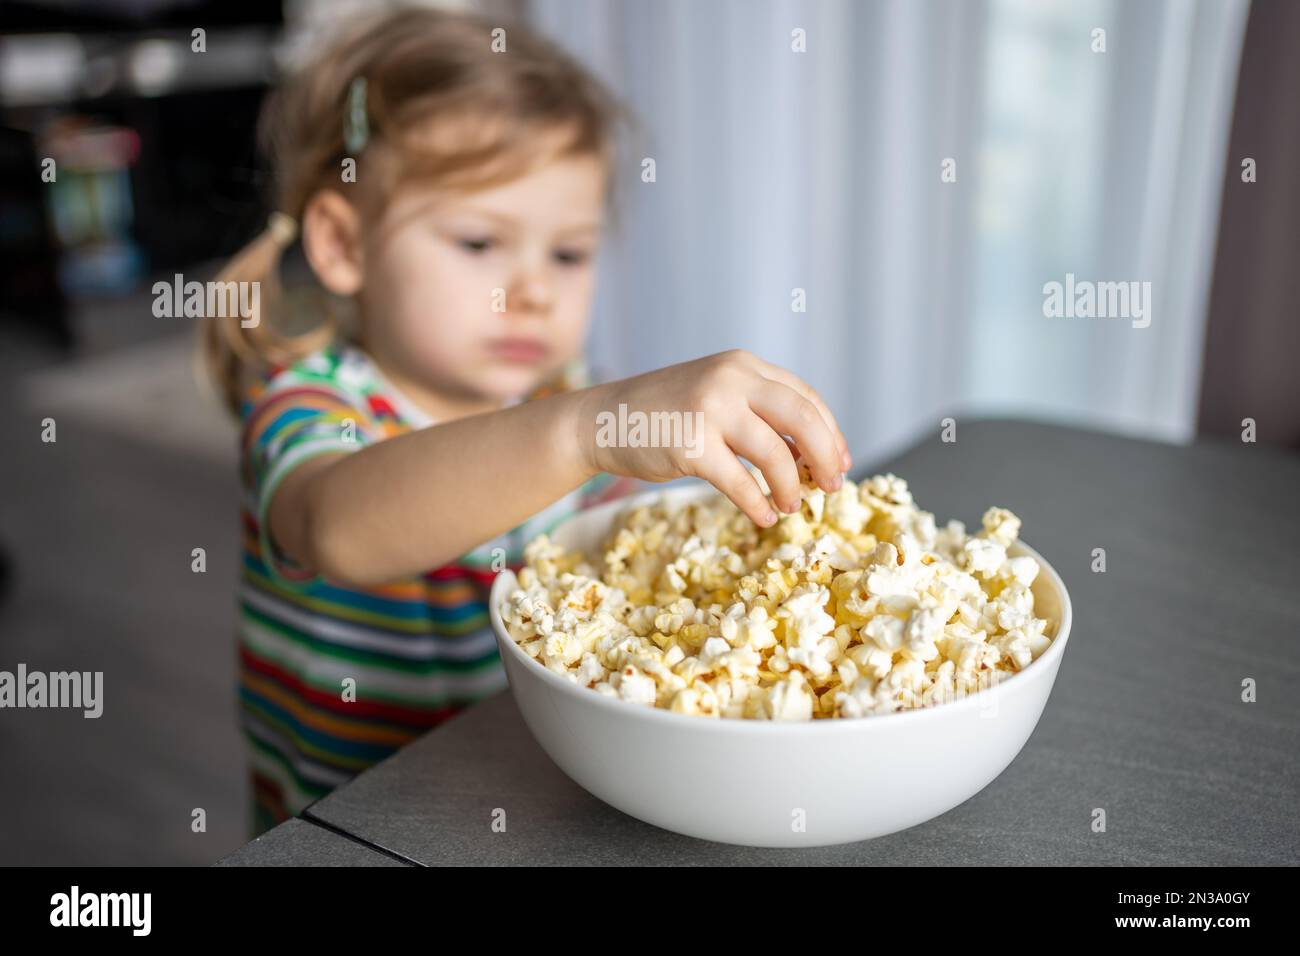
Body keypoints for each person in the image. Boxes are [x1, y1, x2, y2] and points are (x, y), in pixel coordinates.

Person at [201, 7, 851, 836]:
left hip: (516, 799)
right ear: (343, 243)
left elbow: (635, 565)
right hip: (345, 826)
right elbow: (339, 529)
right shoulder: (309, 403)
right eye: (479, 243)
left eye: (568, 253)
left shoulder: (566, 395)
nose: (534, 289)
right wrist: (591, 429)